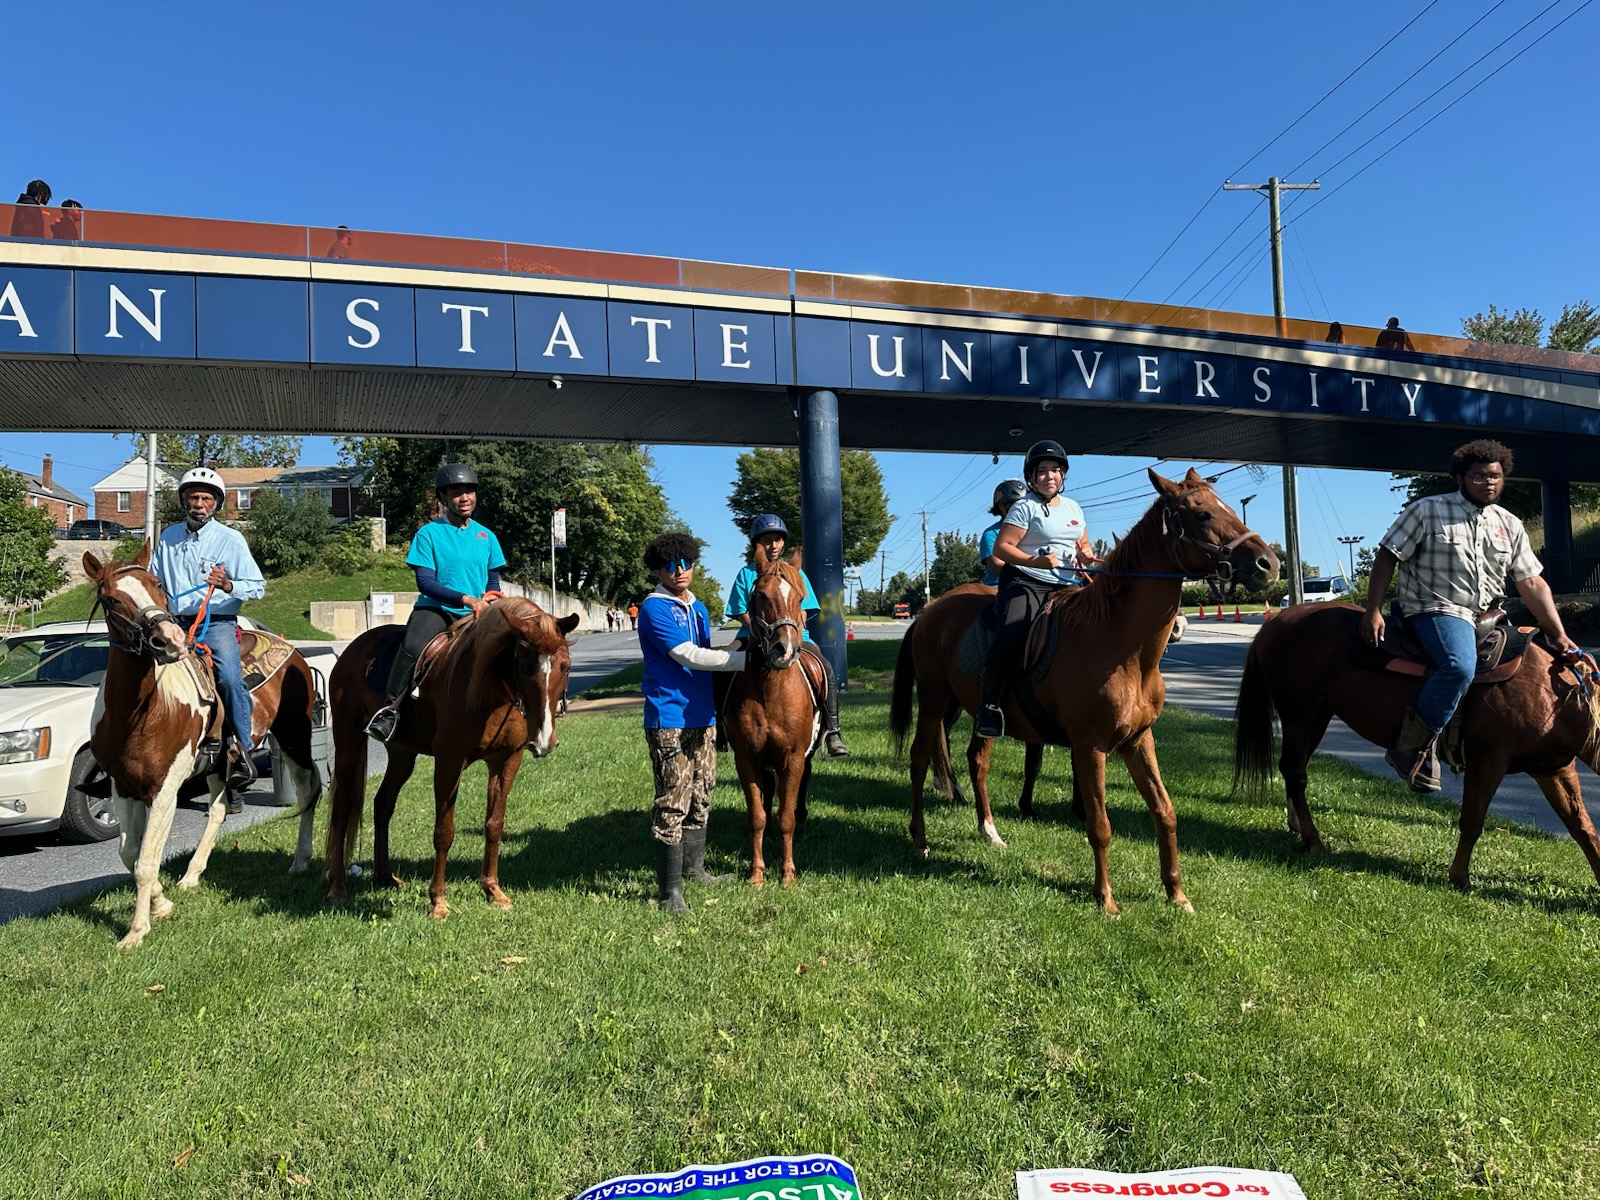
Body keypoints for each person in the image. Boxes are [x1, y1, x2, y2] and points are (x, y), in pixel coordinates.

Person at [1361, 439, 1580, 792]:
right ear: (1460, 478)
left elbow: (1530, 580)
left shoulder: (1509, 523)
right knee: (1459, 665)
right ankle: (1411, 745)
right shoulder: (1427, 510)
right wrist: (1372, 610)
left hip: (1491, 615)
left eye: (1494, 476)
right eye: (1478, 476)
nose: (1488, 482)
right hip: (1435, 609)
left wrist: (1558, 632)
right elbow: (1388, 555)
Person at [637, 532, 748, 912]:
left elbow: (709, 653)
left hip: (704, 717)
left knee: (702, 792)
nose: (680, 571)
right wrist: (745, 661)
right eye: (670, 565)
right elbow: (689, 656)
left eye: (686, 563)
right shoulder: (655, 608)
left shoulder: (697, 608)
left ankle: (695, 870)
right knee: (673, 800)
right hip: (669, 718)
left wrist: (742, 643)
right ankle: (670, 892)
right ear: (657, 569)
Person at [365, 461, 506, 743]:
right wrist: (466, 598)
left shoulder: (487, 536)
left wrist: (492, 597)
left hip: (477, 612)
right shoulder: (428, 534)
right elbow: (425, 582)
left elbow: (492, 581)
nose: (464, 498)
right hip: (436, 609)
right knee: (413, 644)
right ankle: (389, 709)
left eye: (469, 491)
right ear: (444, 498)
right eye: (456, 493)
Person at [150, 466, 267, 802]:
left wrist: (228, 584)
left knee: (229, 679)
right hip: (174, 622)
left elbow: (257, 585)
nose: (199, 503)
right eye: (193, 497)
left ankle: (241, 754)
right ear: (184, 500)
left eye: (206, 498)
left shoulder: (231, 539)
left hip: (215, 622)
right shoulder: (168, 536)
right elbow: (155, 580)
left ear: (216, 503)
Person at [975, 439, 1092, 739]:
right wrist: (1034, 562)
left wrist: (1085, 554)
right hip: (1025, 581)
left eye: (1055, 470)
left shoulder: (1073, 507)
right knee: (1011, 631)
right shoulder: (1023, 508)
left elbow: (1083, 542)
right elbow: (1002, 548)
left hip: (1068, 585)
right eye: (1042, 471)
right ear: (1032, 476)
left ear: (1063, 475)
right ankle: (988, 707)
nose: (1050, 476)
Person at [725, 514, 850, 758]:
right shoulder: (746, 574)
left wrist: (794, 633)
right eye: (768, 541)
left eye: (778, 540)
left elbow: (804, 608)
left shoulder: (796, 574)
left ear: (783, 544)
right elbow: (740, 610)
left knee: (825, 668)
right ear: (757, 545)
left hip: (793, 633)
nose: (774, 546)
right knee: (724, 664)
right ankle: (720, 726)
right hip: (752, 633)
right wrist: (756, 631)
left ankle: (833, 730)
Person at [979, 479, 1028, 586]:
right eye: (1014, 505)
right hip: (1000, 587)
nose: (1021, 510)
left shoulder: (1035, 531)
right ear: (1001, 506)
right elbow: (997, 566)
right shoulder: (991, 534)